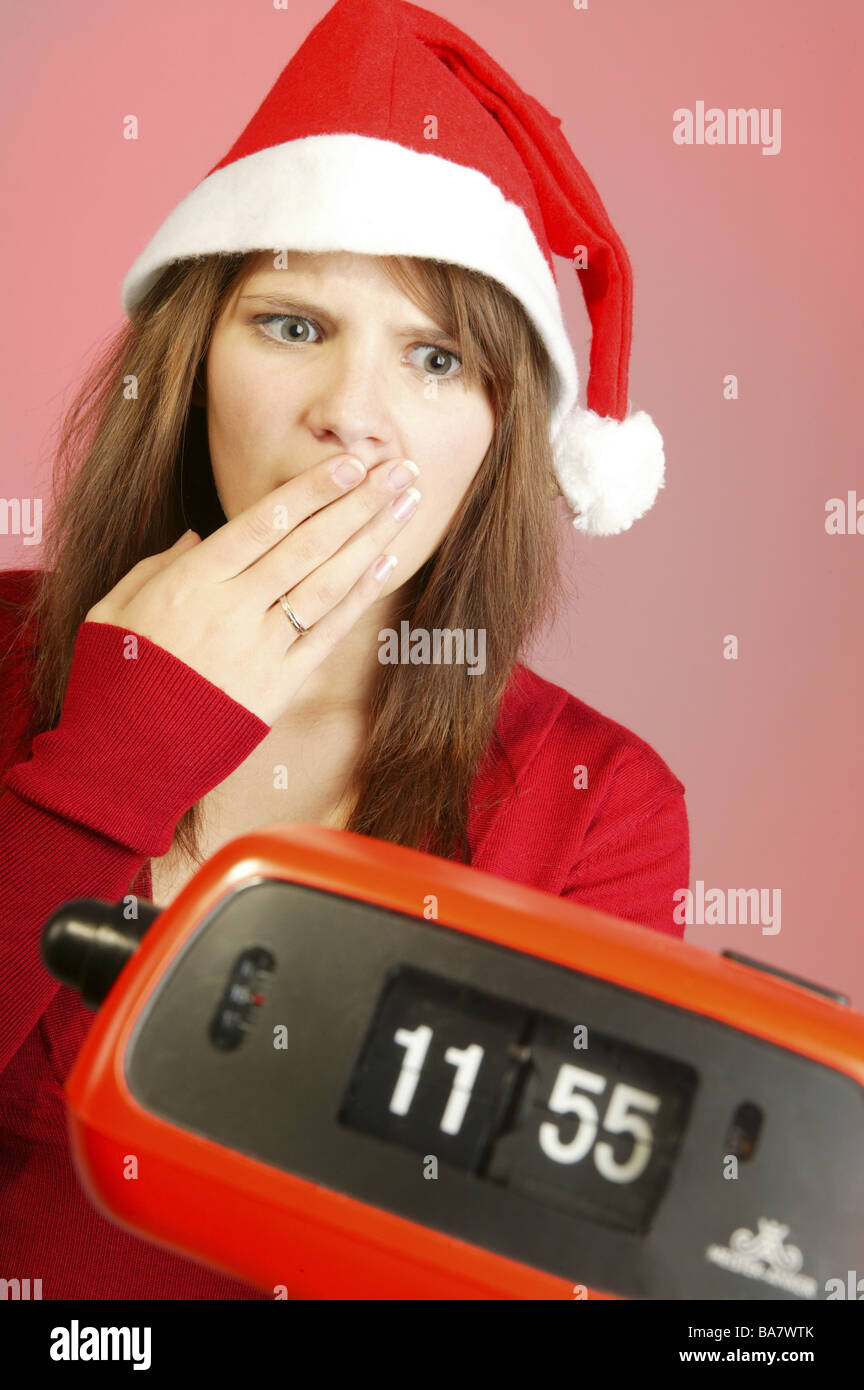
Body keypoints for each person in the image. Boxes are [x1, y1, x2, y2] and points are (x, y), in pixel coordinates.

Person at [0, 0, 689, 1299]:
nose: (351, 419)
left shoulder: (603, 809)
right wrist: (111, 763)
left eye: (435, 357)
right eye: (294, 325)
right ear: (190, 362)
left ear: (502, 434)